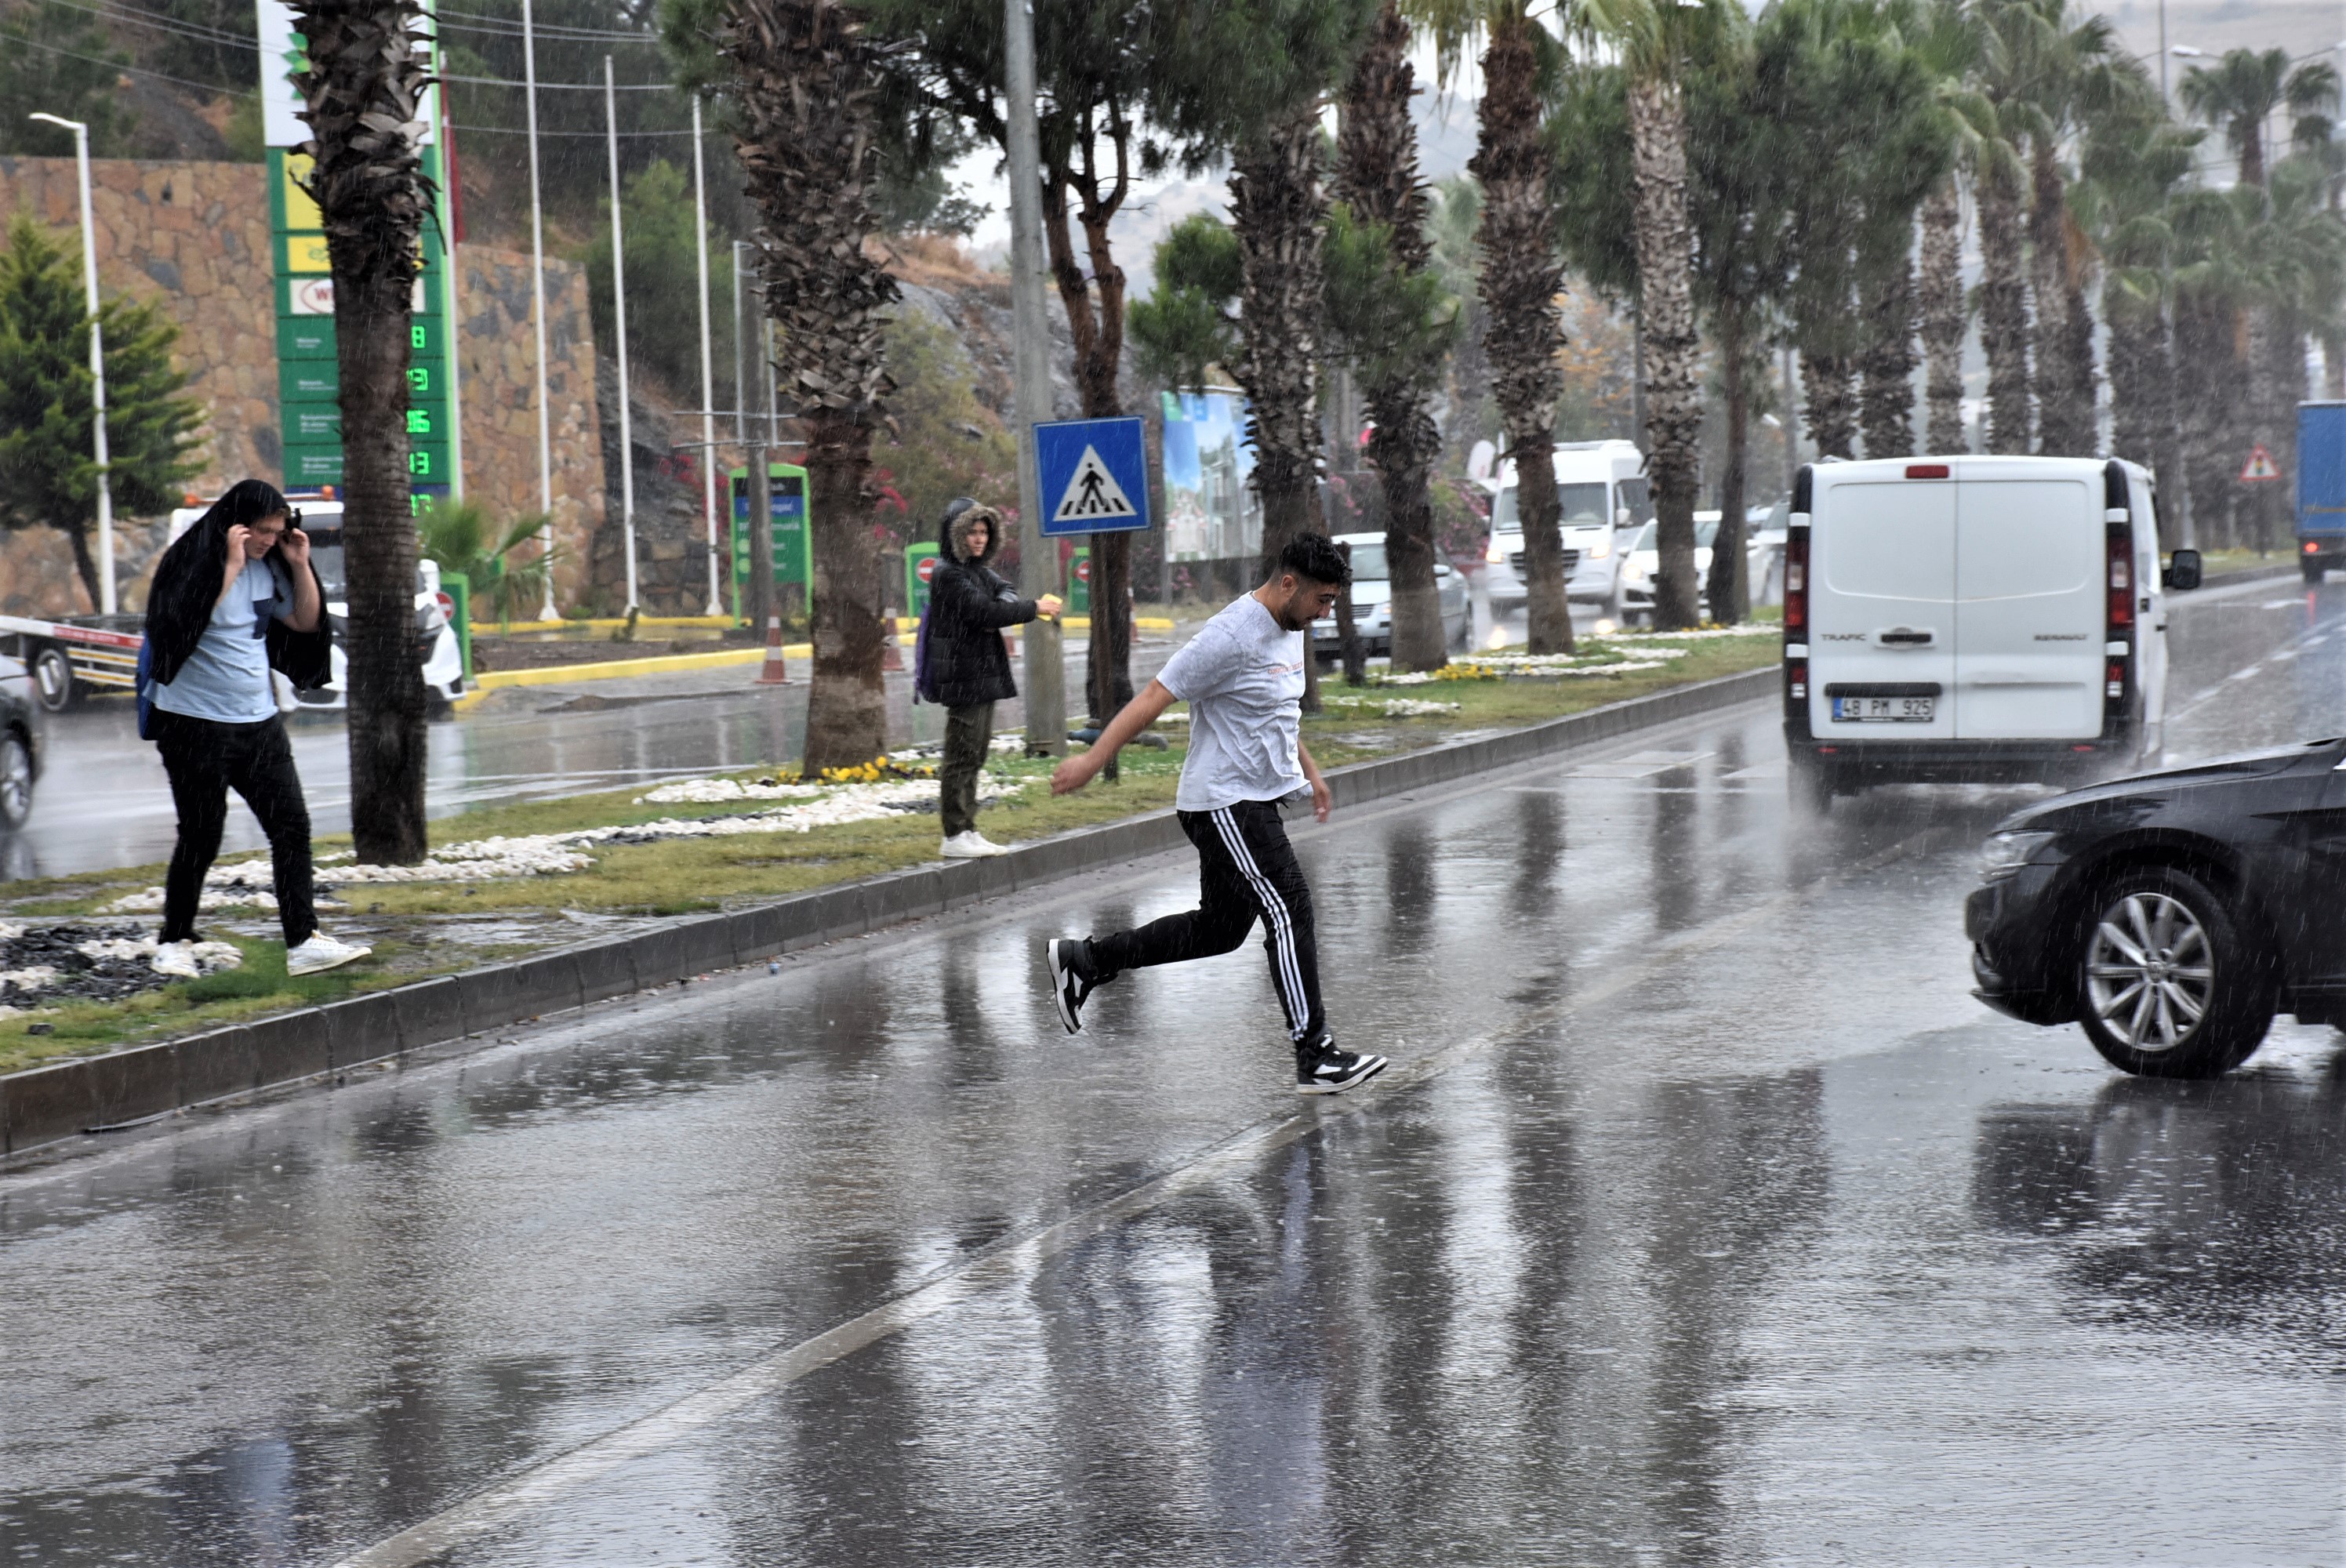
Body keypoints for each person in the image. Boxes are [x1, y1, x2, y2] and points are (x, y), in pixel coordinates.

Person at [1044, 532, 1387, 1095]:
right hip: (1226, 801)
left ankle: (1087, 961)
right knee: (1290, 906)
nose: (1326, 613)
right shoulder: (1230, 635)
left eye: (1332, 602)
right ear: (1287, 583)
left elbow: (1272, 709)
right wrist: (1094, 759)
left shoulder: (1289, 627)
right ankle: (1315, 1053)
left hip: (1252, 799)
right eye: (1322, 600)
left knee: (1221, 930)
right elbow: (1156, 693)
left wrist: (1311, 772)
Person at [142, 479, 371, 978]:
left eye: (277, 530)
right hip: (193, 724)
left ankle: (303, 941)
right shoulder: (192, 561)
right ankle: (174, 940)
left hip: (258, 723)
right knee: (202, 834)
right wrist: (228, 566)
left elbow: (307, 623)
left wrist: (298, 564)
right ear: (235, 525)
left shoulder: (272, 564)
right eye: (261, 531)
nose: (269, 539)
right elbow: (181, 623)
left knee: (292, 828)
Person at [923, 497, 1060, 859]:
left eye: (984, 532)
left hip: (979, 675)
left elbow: (1005, 591)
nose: (979, 539)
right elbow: (985, 611)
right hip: (963, 676)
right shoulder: (948, 574)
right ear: (956, 534)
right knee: (962, 756)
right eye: (971, 532)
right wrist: (1034, 608)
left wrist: (1009, 602)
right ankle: (954, 834)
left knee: (976, 754)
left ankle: (968, 828)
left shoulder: (977, 572)